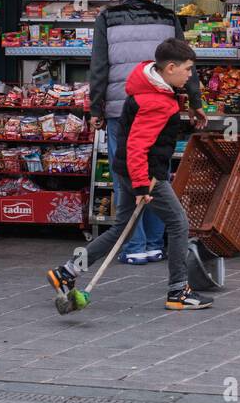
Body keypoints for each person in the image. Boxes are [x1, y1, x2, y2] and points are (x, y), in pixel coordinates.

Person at [48, 39, 214, 311]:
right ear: (170, 68)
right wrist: (141, 186)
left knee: (122, 229)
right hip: (146, 173)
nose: (190, 75)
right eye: (187, 69)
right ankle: (178, 292)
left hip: (127, 168)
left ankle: (67, 272)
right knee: (178, 224)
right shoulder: (157, 102)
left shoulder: (150, 84)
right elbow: (138, 145)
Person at [89, 0, 205, 263]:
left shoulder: (106, 17)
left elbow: (99, 65)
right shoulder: (168, 18)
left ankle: (135, 246)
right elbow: (184, 62)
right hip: (162, 105)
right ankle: (154, 242)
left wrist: (96, 106)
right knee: (158, 174)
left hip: (120, 107)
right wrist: (195, 101)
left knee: (126, 176)